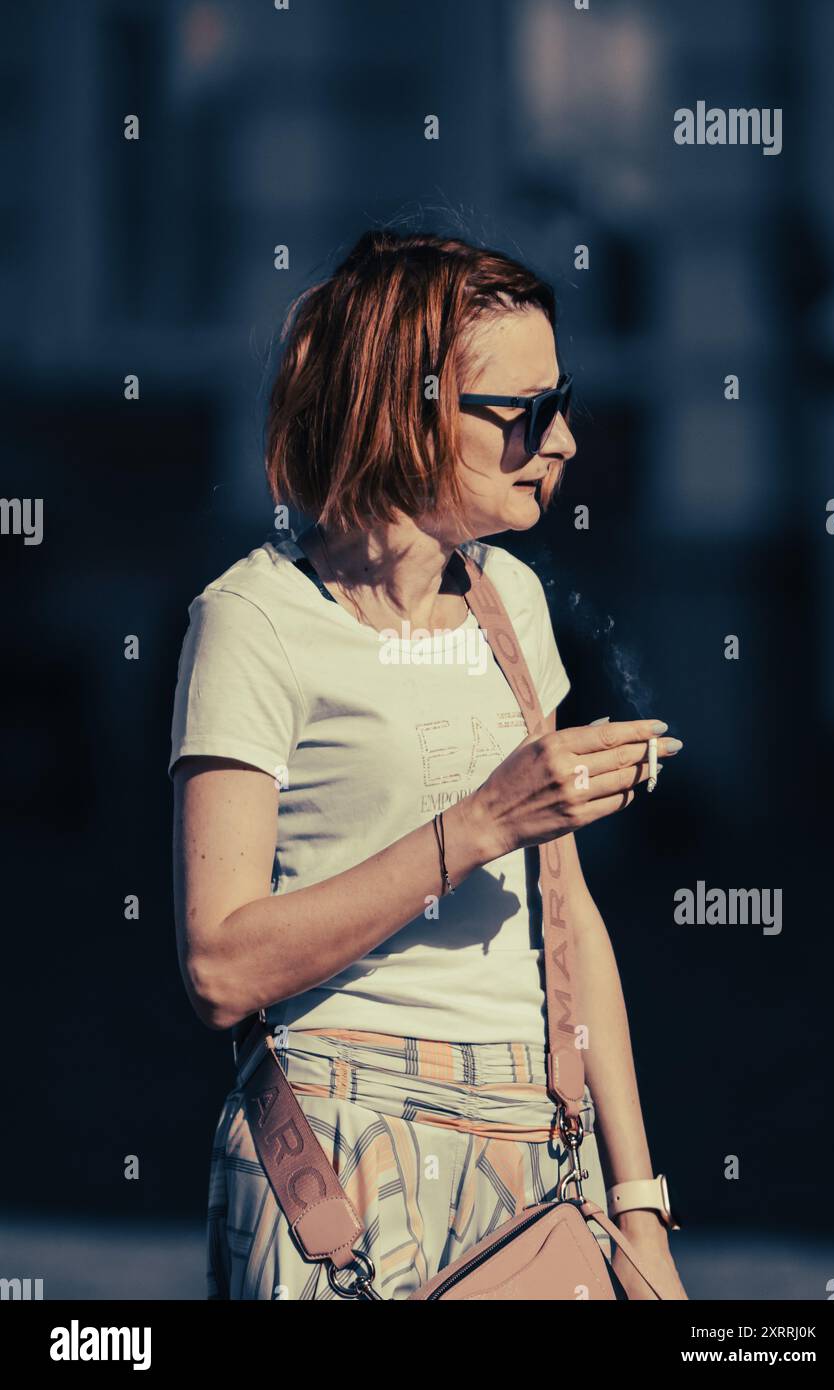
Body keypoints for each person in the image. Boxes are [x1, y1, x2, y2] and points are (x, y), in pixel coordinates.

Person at [169, 229, 688, 1300]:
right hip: (334, 1153)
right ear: (405, 411)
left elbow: (569, 922)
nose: (564, 443)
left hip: (534, 1152)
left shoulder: (513, 606)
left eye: (565, 403)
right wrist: (482, 824)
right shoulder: (254, 620)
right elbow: (219, 968)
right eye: (526, 414)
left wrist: (638, 1204)